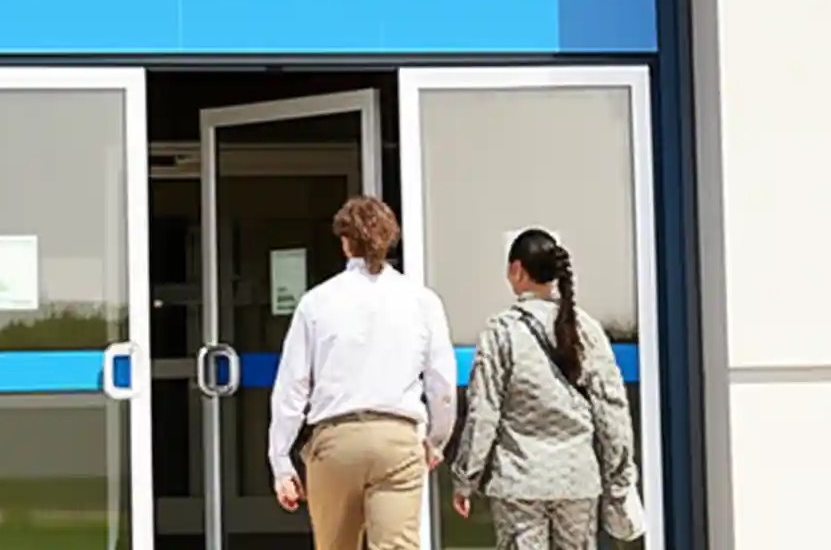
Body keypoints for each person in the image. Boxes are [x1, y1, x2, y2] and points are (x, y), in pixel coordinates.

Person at [268, 196, 458, 550]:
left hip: (336, 440)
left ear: (345, 242)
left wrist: (280, 460)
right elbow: (442, 383)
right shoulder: (421, 301)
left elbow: (293, 386)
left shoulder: (317, 302)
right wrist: (435, 440)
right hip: (397, 438)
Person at [450, 228, 638, 550]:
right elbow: (612, 412)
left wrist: (465, 478)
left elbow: (484, 413)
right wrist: (619, 479)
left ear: (516, 270)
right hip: (577, 479)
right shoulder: (587, 329)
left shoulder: (501, 332)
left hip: (519, 481)